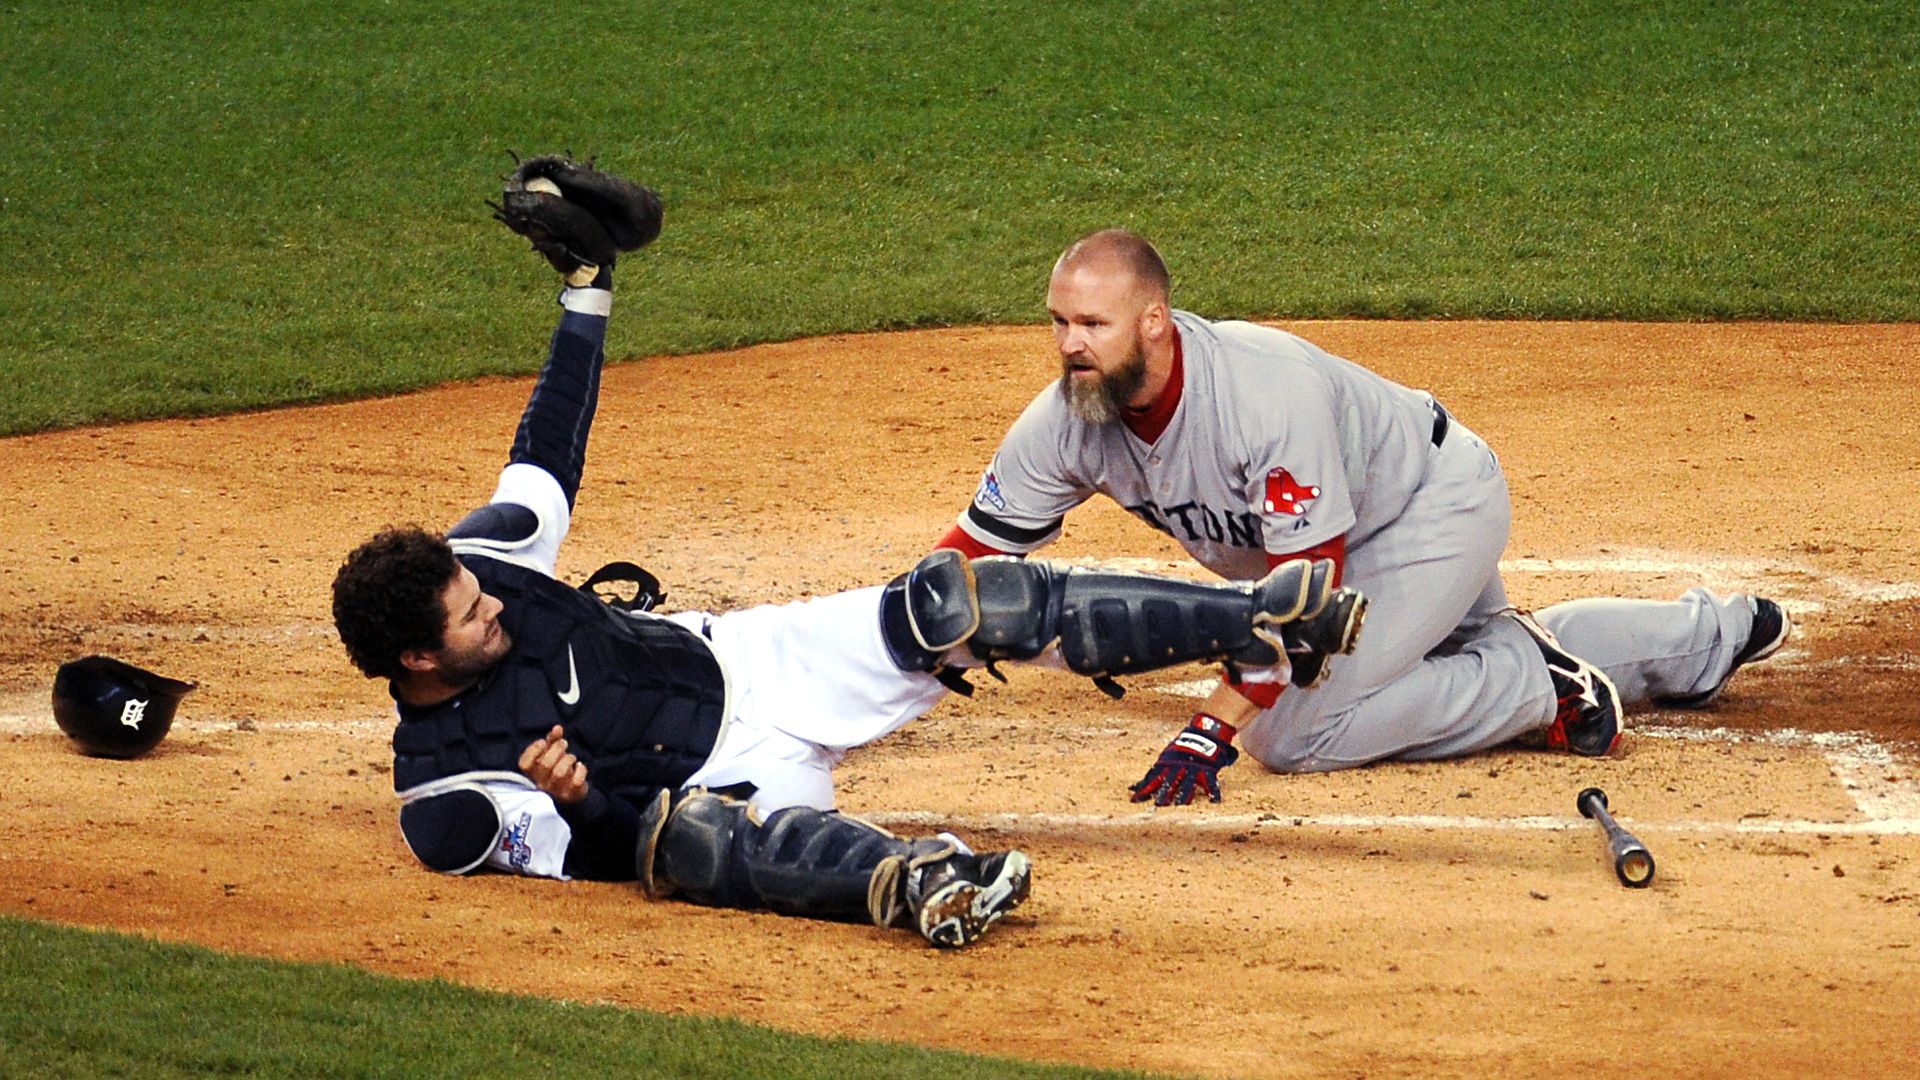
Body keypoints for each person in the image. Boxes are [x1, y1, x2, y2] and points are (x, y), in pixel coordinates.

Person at [330, 163, 1363, 948]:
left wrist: (588, 294)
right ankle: (921, 885)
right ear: (417, 661)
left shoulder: (486, 562)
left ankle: (1263, 618)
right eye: (469, 619)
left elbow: (547, 449)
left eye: (477, 591)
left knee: (948, 604)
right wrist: (576, 800)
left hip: (751, 660)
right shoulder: (449, 804)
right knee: (689, 850)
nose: (493, 609)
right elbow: (604, 859)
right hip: (721, 790)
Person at [937, 228, 1792, 804]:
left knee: (1293, 729)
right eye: (1058, 322)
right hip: (1355, 540)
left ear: (1154, 322)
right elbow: (961, 561)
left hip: (1430, 509)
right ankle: (1708, 638)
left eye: (1092, 323)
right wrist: (882, 645)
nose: (1068, 344)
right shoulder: (1071, 417)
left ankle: (1534, 686)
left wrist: (1211, 732)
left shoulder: (1260, 394)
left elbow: (1307, 608)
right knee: (1446, 651)